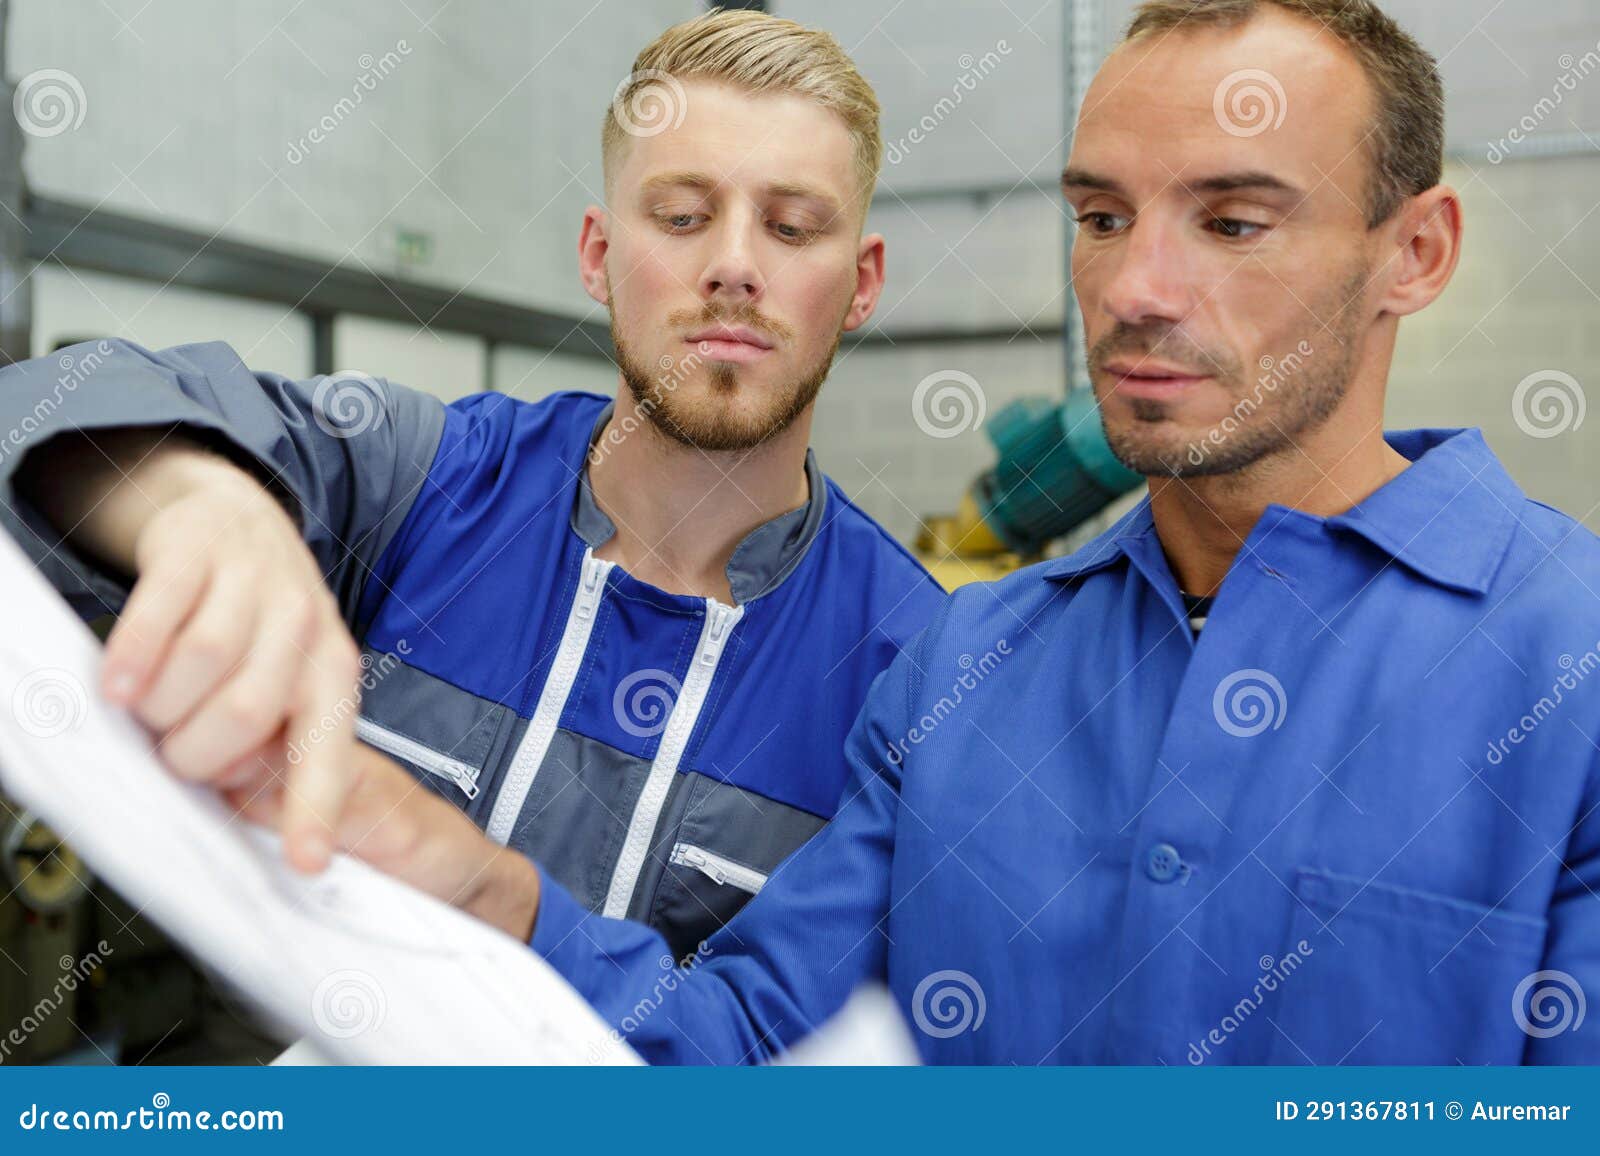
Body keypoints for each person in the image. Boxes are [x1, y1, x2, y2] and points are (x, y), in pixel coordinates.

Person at [295, 0, 1600, 1065]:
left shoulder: (1566, 668)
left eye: (1232, 223)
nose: (1135, 288)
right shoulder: (968, 672)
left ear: (1415, 254)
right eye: (1101, 218)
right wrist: (485, 888)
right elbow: (752, 1053)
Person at [0, 9, 944, 961]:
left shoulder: (917, 668)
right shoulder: (421, 483)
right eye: (681, 217)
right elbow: (43, 404)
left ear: (863, 283)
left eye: (791, 227)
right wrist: (204, 504)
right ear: (598, 255)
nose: (734, 266)